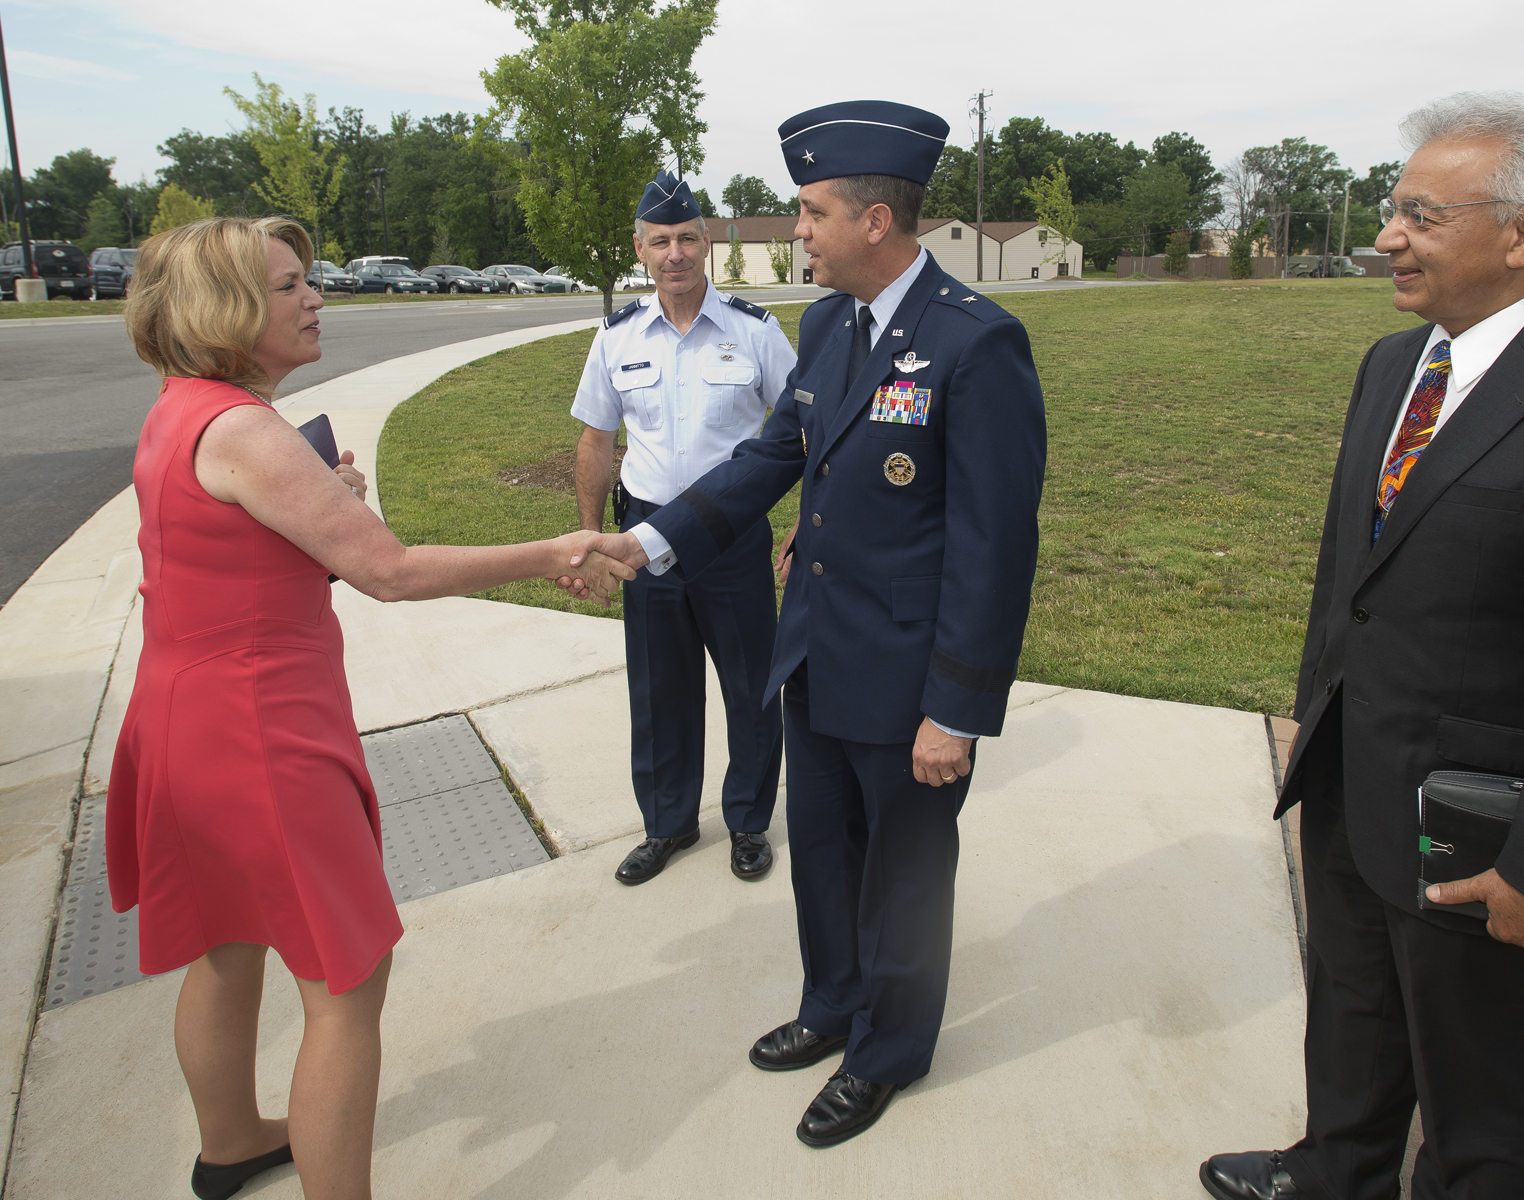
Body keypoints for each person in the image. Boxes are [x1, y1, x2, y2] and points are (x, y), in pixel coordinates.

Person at [1200, 92, 1524, 1200]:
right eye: (1395, 211)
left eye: (1419, 215)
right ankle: (1336, 1172)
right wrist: (1320, 728)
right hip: (1353, 783)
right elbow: (1357, 581)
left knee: (1483, 1105)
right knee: (1352, 1023)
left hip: (1485, 831)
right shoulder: (1395, 366)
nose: (1386, 236)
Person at [110, 216, 629, 1200]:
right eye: (288, 286)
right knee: (346, 985)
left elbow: (229, 545)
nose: (315, 299)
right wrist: (550, 549)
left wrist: (319, 501)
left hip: (183, 717)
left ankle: (228, 1145)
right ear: (227, 311)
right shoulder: (249, 432)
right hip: (262, 733)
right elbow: (387, 572)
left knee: (225, 948)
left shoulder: (181, 410)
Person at [586, 100, 1046, 1147]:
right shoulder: (828, 324)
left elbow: (993, 550)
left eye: (808, 213)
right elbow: (771, 461)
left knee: (905, 875)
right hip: (820, 653)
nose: (795, 233)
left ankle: (886, 1051)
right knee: (827, 857)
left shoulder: (976, 346)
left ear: (873, 221)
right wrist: (650, 543)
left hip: (914, 678)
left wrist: (958, 712)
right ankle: (833, 1005)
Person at [571, 169, 797, 886]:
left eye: (687, 238)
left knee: (750, 688)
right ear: (639, 250)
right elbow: (595, 441)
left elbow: (807, 430)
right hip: (643, 540)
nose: (675, 253)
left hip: (730, 541)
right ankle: (667, 825)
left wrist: (811, 525)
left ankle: (749, 821)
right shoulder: (616, 338)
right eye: (660, 240)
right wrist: (591, 545)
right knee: (660, 691)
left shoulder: (755, 332)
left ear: (709, 243)